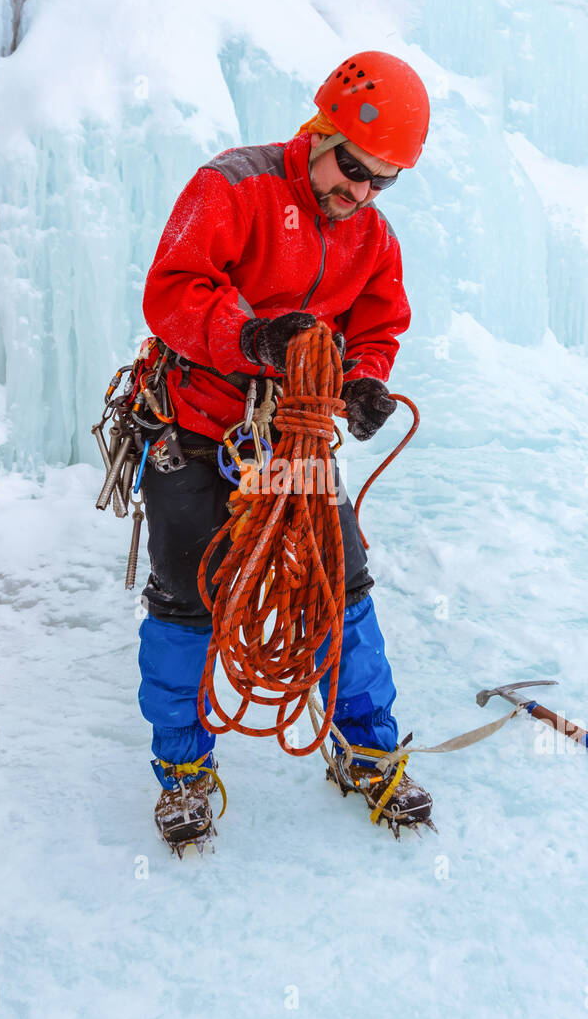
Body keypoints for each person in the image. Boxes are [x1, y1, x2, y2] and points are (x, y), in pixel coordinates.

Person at [137, 51, 432, 851]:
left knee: (340, 587)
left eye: (382, 181)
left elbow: (378, 324)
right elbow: (173, 293)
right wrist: (252, 336)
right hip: (194, 424)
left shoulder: (370, 233)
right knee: (187, 600)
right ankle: (185, 773)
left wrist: (364, 381)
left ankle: (366, 748)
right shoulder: (235, 187)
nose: (360, 192)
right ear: (320, 131)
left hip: (288, 437)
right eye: (353, 169)